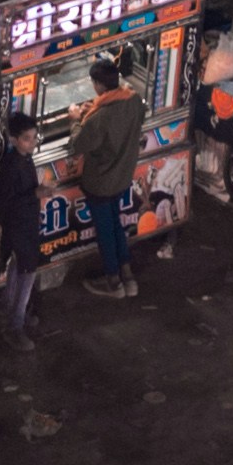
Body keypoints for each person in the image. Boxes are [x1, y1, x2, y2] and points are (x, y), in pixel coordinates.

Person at [70, 55, 147, 294]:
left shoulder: (99, 117)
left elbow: (77, 145)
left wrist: (76, 119)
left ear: (99, 85)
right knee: (116, 224)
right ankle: (128, 275)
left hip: (100, 183)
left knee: (105, 230)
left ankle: (113, 282)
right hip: (123, 176)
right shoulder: (134, 101)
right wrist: (92, 109)